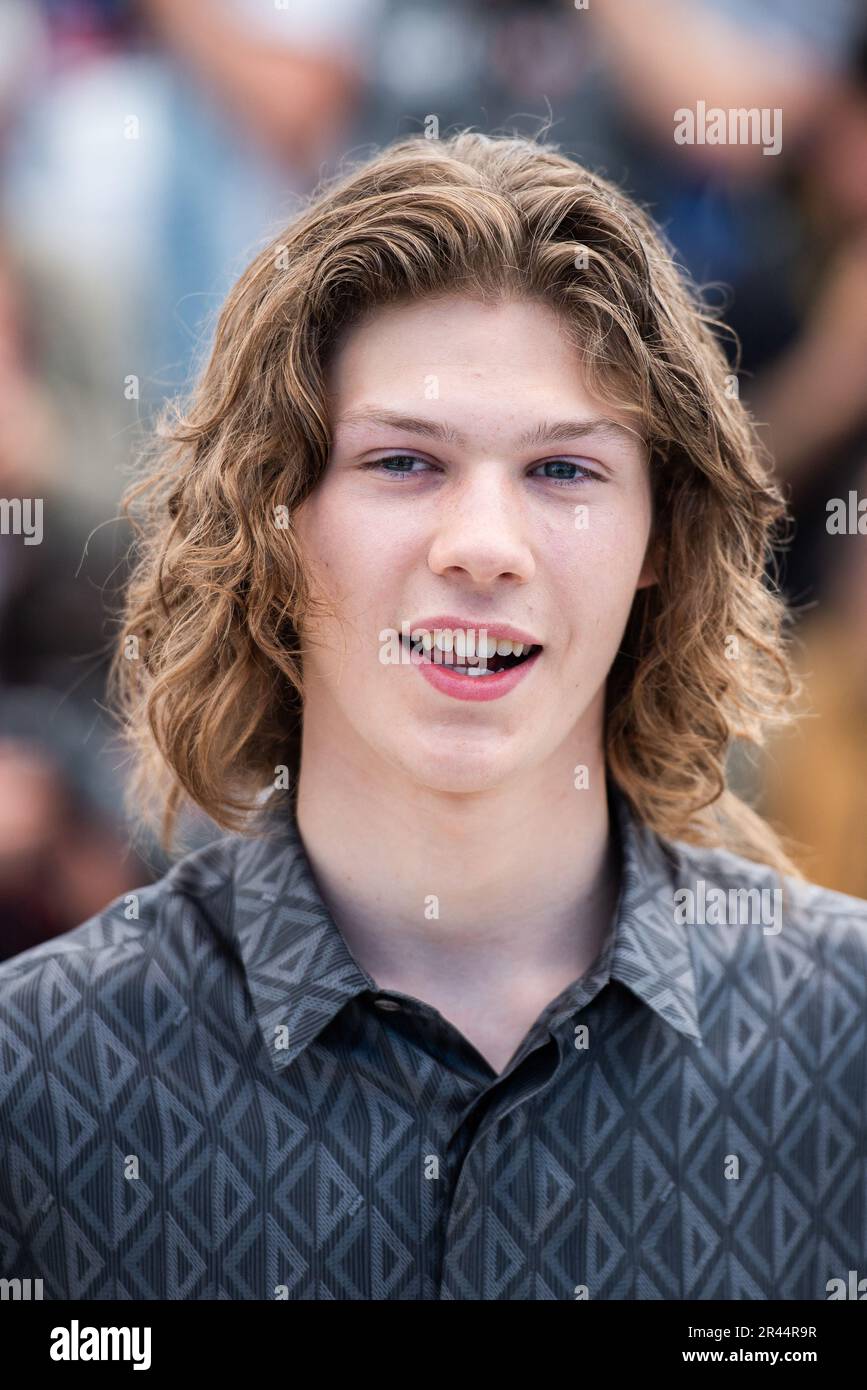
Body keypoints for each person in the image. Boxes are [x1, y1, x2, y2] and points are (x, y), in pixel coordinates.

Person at [1, 130, 865, 1302]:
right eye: (405, 462)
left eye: (564, 471)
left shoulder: (846, 1048)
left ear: (662, 538)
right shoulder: (36, 1077)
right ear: (276, 517)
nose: (482, 548)